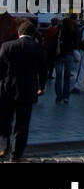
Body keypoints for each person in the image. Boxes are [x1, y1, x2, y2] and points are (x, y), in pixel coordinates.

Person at [0, 20, 48, 162]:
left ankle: (3, 147)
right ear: (33, 34)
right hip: (27, 90)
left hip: (7, 89)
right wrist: (41, 86)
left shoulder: (7, 46)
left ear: (19, 33)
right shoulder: (38, 48)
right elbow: (44, 70)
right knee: (22, 124)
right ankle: (16, 155)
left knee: (4, 120)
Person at [54, 15, 81, 104]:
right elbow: (76, 43)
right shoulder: (73, 31)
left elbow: (54, 42)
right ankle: (66, 97)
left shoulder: (59, 31)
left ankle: (58, 97)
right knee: (67, 77)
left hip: (59, 55)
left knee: (58, 77)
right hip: (69, 54)